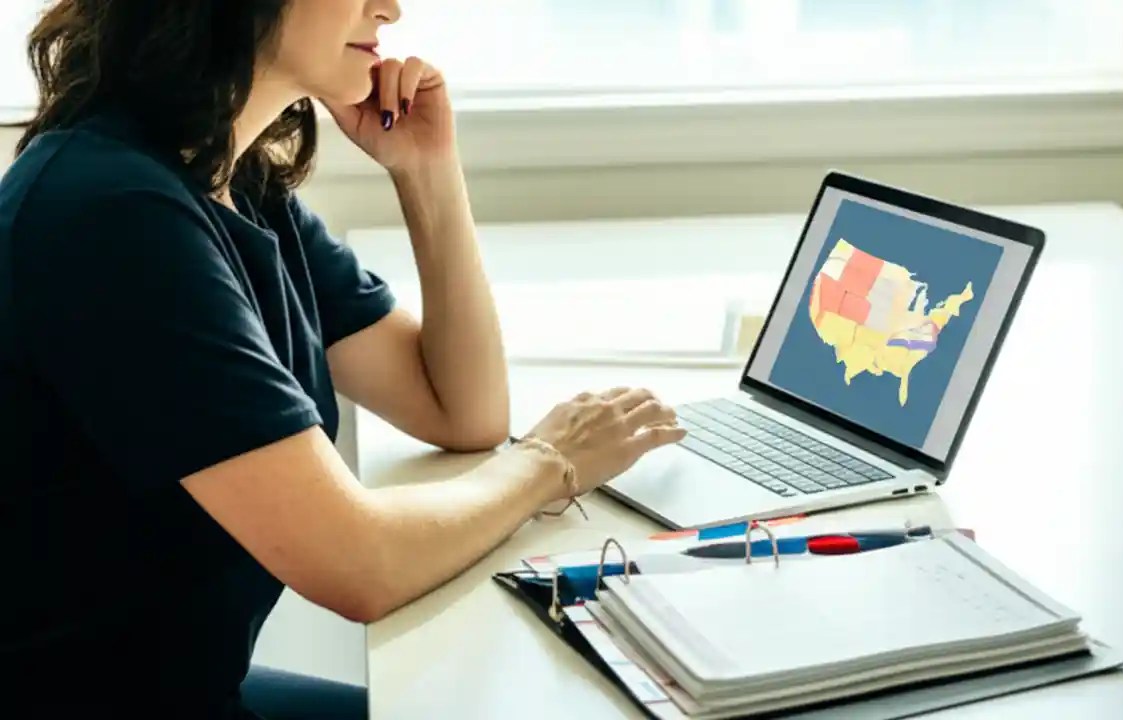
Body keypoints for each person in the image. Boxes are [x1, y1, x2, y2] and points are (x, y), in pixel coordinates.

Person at [0, 1, 687, 717]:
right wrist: (548, 462)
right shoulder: (112, 215)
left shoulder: (229, 180)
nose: (389, 8)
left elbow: (463, 410)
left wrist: (426, 171)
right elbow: (360, 566)